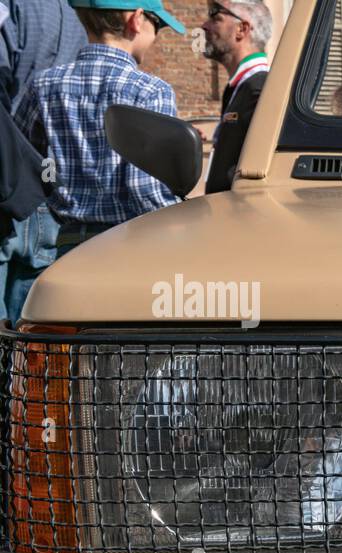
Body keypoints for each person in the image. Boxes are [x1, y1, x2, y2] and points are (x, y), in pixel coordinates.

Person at [12, 0, 185, 260]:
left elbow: (29, 161)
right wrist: (180, 222)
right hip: (127, 246)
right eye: (157, 25)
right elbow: (144, 188)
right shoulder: (152, 91)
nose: (156, 37)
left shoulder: (44, 85)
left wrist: (57, 192)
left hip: (66, 245)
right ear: (136, 20)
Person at [0, 0, 85, 321]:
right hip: (55, 192)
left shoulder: (16, 6)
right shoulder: (86, 11)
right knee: (34, 343)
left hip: (10, 183)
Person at [200, 0, 272, 195]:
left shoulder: (260, 90)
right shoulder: (240, 87)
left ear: (242, 29)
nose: (204, 26)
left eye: (216, 19)